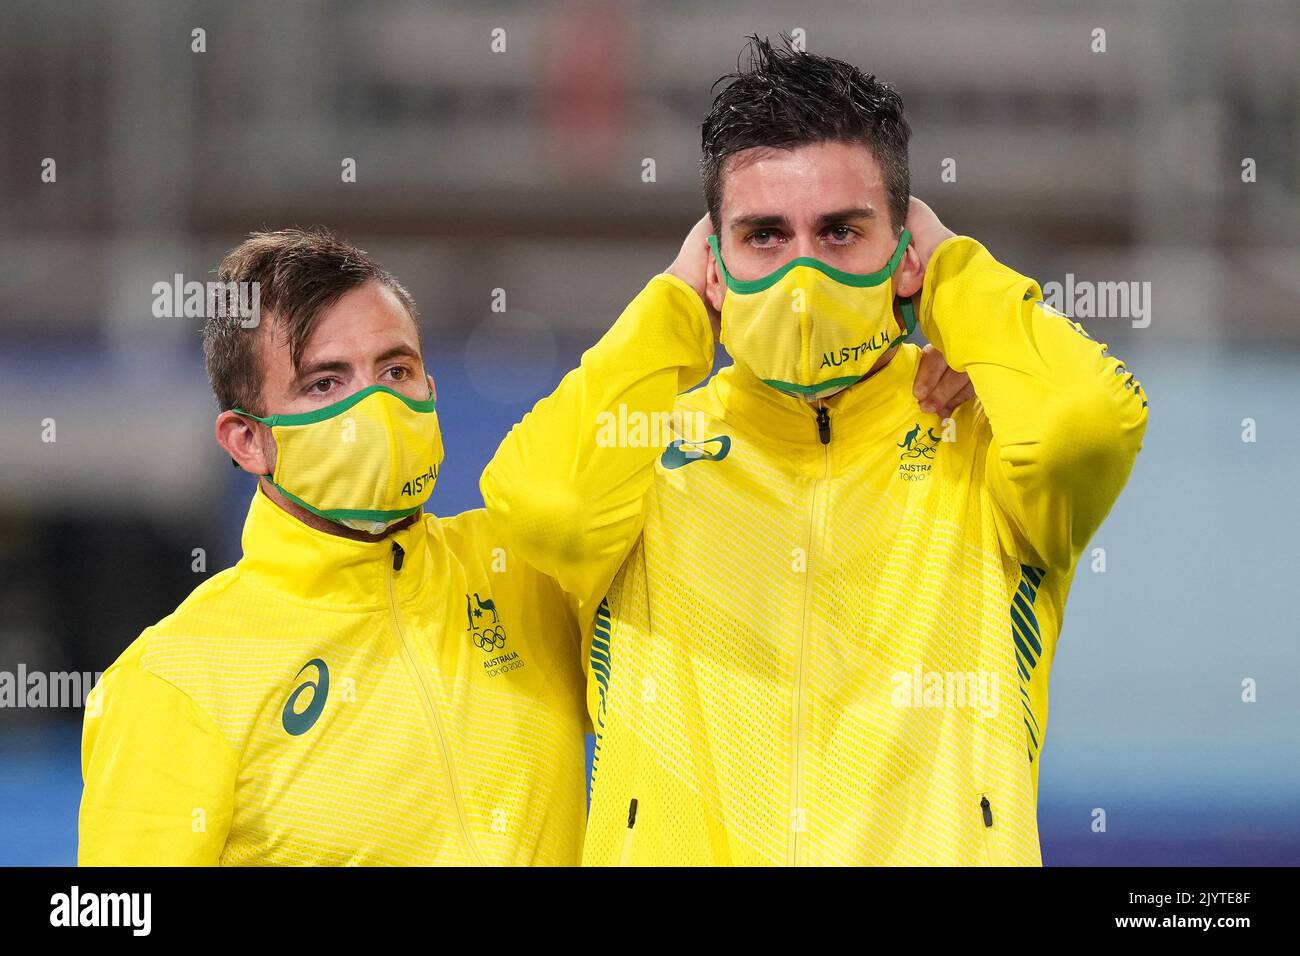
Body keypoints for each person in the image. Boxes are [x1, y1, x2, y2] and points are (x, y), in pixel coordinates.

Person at [481, 37, 1148, 865]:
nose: (801, 280)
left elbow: (1082, 424)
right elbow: (547, 505)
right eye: (764, 236)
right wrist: (672, 309)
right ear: (714, 266)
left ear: (902, 255)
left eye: (840, 233)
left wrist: (954, 275)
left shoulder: (981, 440)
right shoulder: (646, 447)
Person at [78, 228, 587, 865]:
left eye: (396, 370)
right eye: (325, 383)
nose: (374, 406)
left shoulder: (524, 570)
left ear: (432, 387)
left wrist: (674, 301)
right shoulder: (176, 680)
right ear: (247, 441)